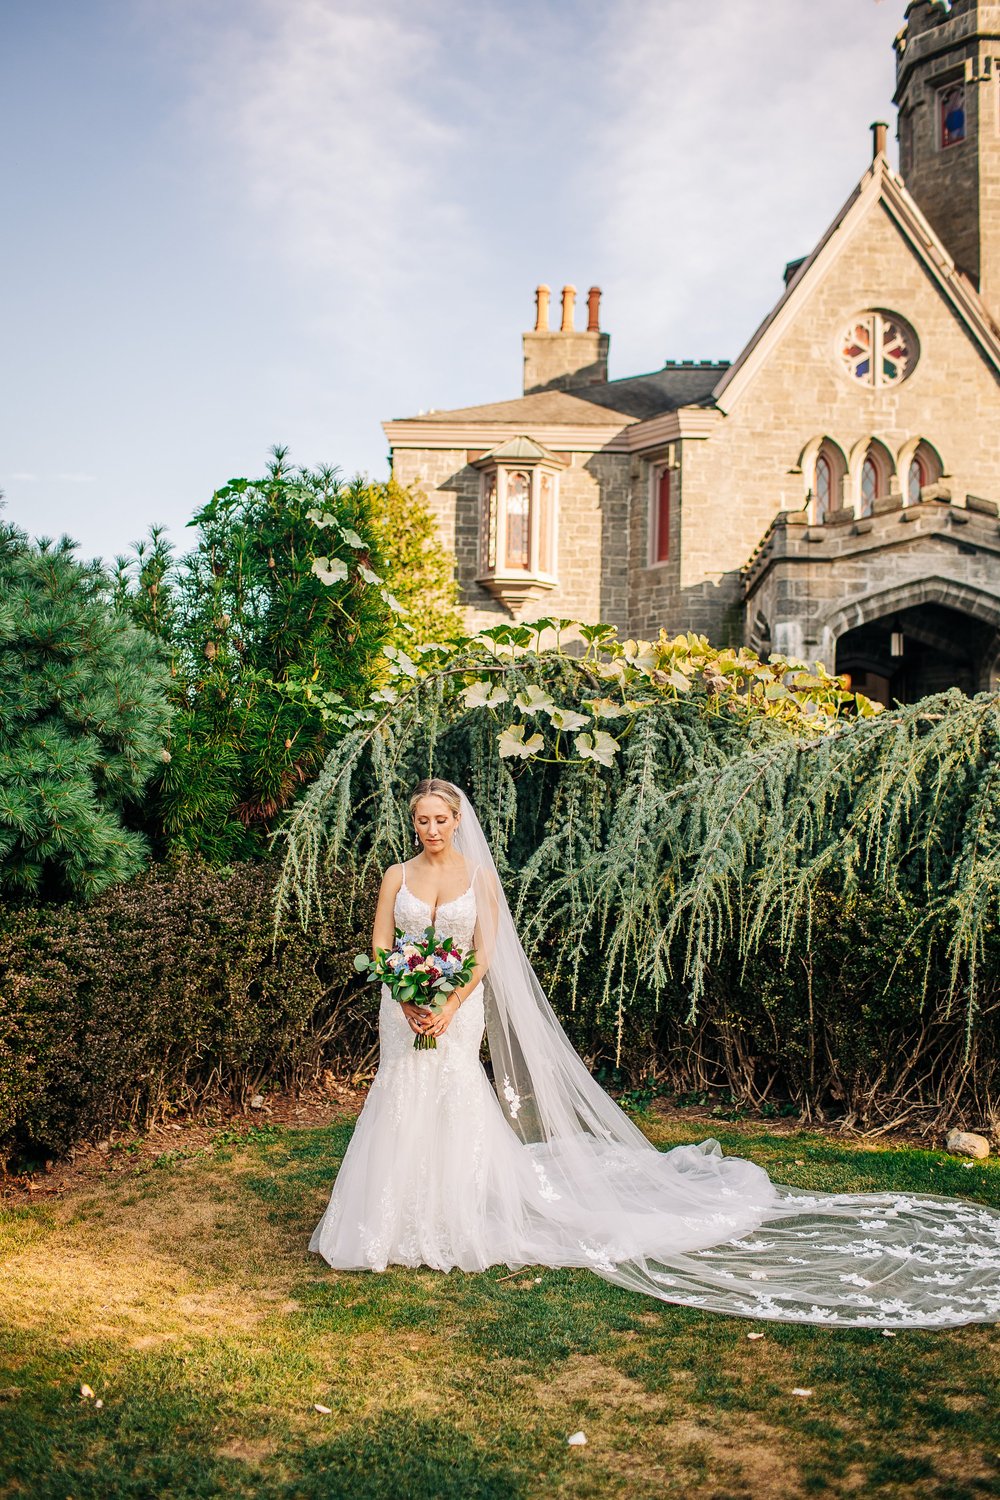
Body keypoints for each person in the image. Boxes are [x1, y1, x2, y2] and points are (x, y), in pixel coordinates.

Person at [310, 778, 1000, 1327]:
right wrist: (402, 994)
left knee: (457, 1092)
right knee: (400, 1094)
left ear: (456, 821)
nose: (429, 829)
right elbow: (379, 943)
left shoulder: (479, 879)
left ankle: (452, 1214)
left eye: (438, 819)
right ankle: (390, 1217)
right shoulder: (396, 875)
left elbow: (486, 952)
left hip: (458, 1004)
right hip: (401, 1007)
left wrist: (452, 1002)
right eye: (420, 820)